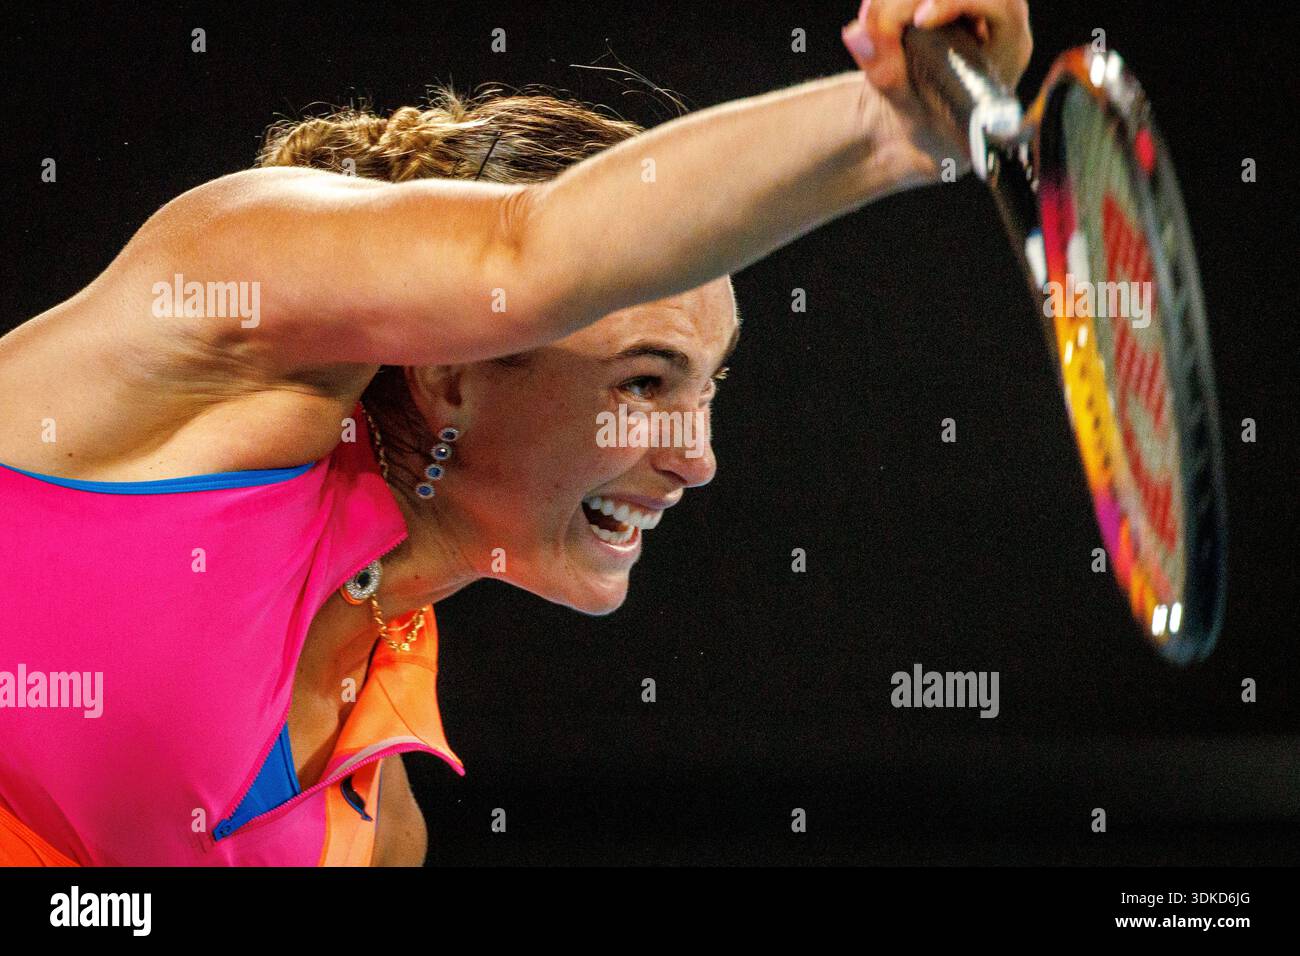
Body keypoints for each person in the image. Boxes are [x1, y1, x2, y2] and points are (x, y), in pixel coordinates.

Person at [0, 0, 1032, 866]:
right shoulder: (218, 314)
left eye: (709, 385)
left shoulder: (372, 827)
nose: (697, 455)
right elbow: (525, 252)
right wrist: (891, 121)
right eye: (644, 377)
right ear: (452, 371)